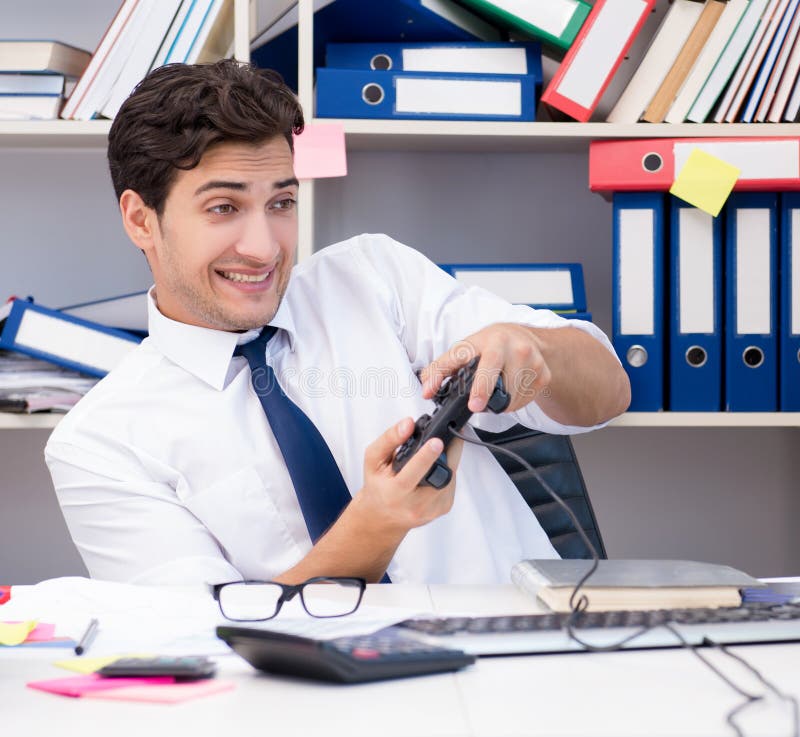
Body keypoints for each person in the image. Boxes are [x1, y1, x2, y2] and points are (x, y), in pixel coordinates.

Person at [45, 60, 630, 586]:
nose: (264, 247)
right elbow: (207, 641)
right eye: (224, 208)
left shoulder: (374, 277)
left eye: (281, 203)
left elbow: (611, 392)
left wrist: (535, 351)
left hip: (522, 663)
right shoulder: (99, 444)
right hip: (305, 702)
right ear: (141, 220)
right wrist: (376, 524)